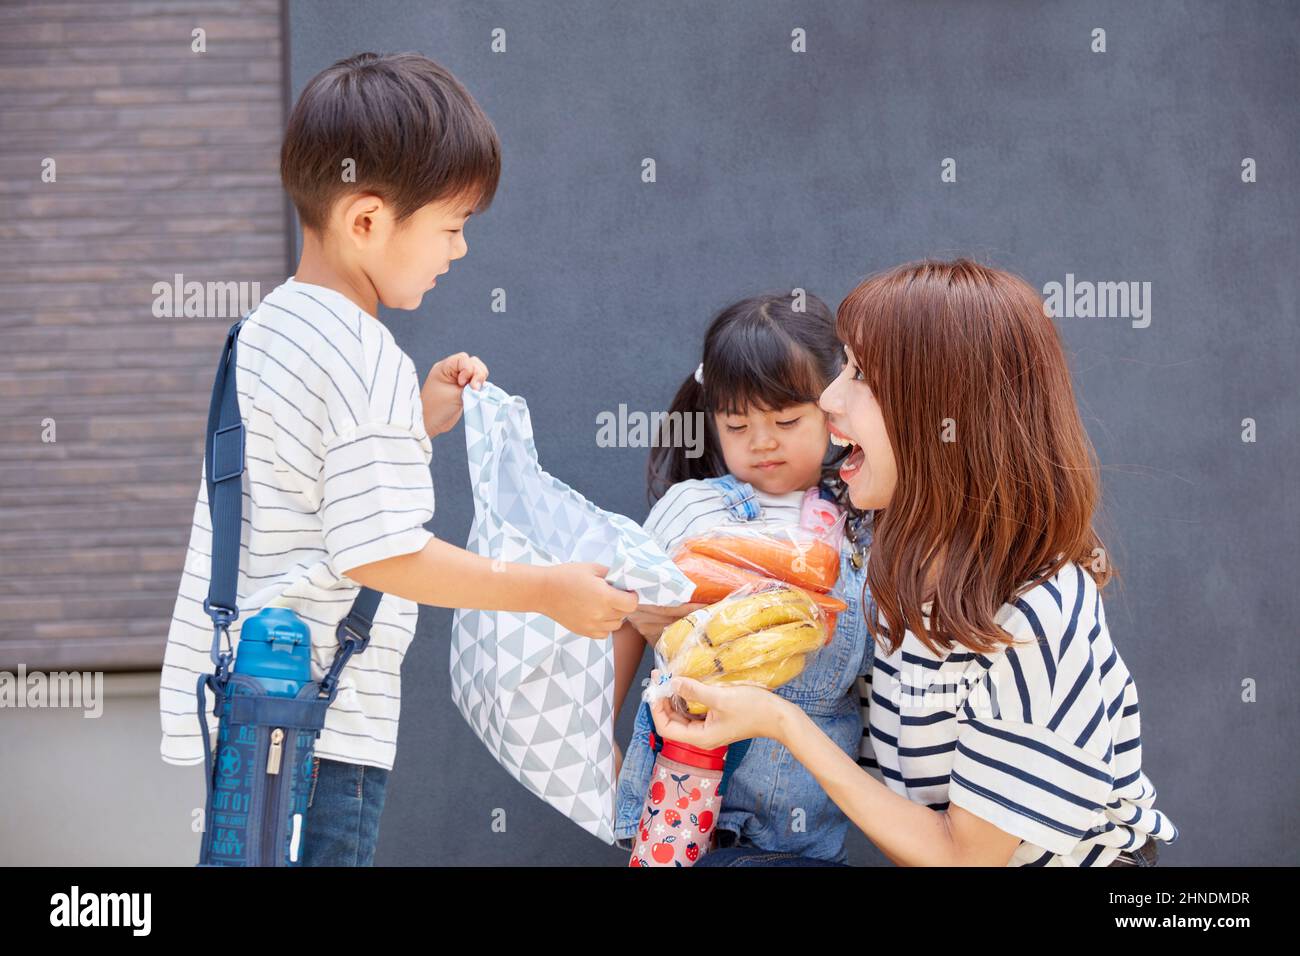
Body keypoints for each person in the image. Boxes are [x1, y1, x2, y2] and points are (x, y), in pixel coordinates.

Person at [159, 52, 637, 866]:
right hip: (321, 726)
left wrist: (412, 425)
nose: (457, 252)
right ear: (368, 220)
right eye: (451, 227)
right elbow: (380, 551)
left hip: (247, 707)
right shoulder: (364, 353)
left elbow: (302, 487)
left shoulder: (264, 331)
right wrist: (545, 592)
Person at [652, 259, 1179, 867]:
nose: (828, 397)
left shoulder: (1037, 611)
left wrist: (782, 722)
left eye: (861, 376)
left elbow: (965, 860)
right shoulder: (888, 565)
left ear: (944, 416)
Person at [611, 291, 875, 864]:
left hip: (808, 797)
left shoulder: (862, 515)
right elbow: (627, 614)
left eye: (786, 420)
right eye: (737, 425)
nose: (762, 442)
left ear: (832, 408)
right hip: (683, 765)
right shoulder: (693, 508)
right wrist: (600, 730)